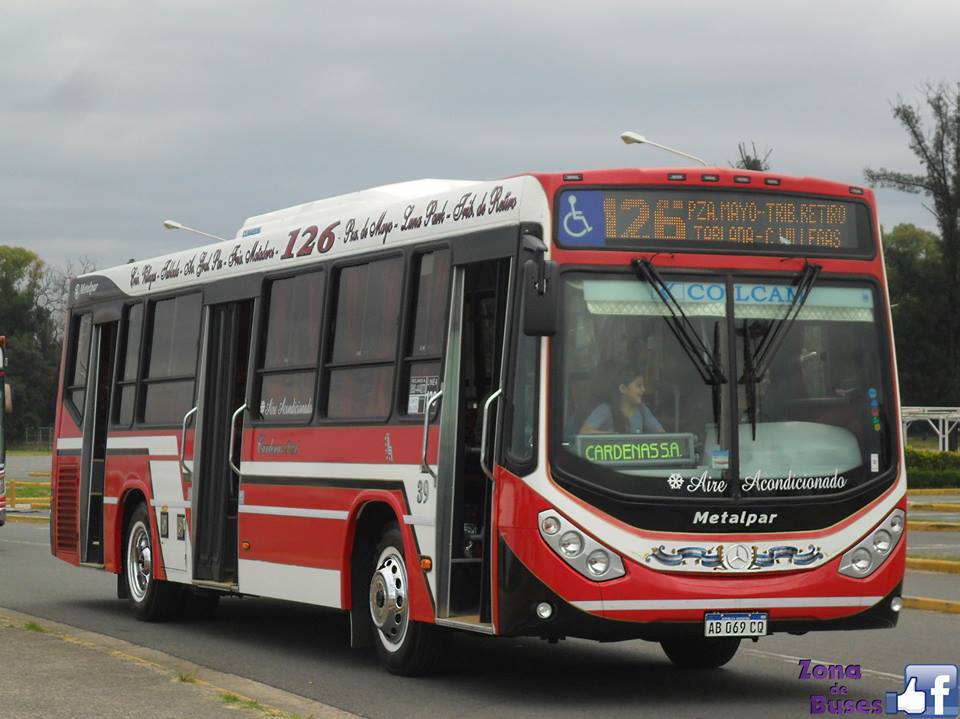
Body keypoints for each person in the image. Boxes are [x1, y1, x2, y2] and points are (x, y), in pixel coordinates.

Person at [580, 367, 665, 435]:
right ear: (623, 389)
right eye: (639, 386)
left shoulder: (642, 410)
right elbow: (584, 432)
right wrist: (614, 437)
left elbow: (662, 434)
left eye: (643, 385)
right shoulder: (606, 409)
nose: (643, 389)